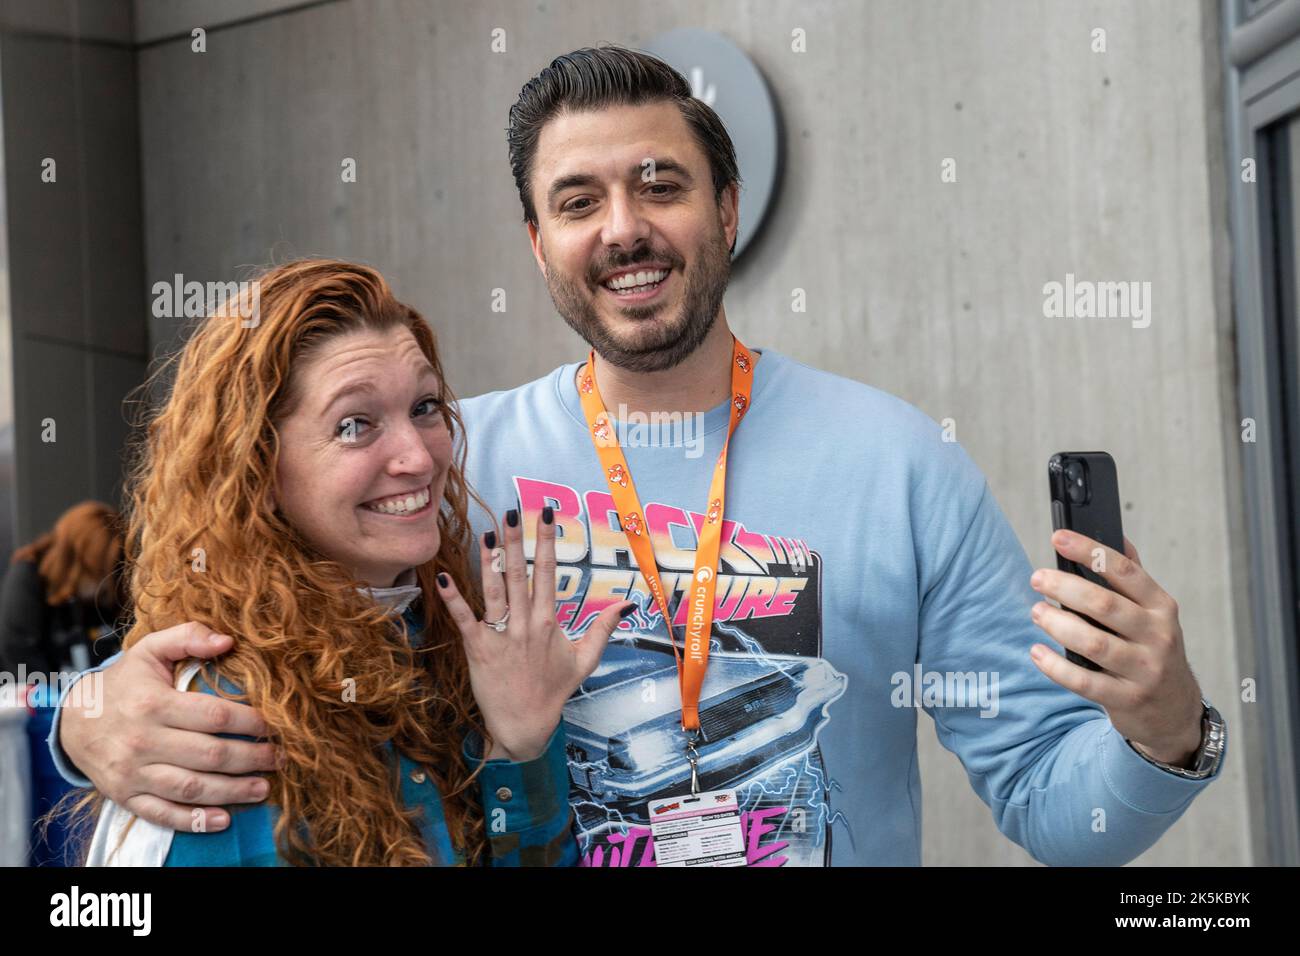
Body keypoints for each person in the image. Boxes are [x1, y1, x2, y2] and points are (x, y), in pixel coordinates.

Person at [50, 46, 1225, 867]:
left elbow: (1051, 805)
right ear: (537, 242)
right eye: (577, 201)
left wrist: (1170, 730)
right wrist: (81, 718)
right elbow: (269, 647)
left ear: (726, 207)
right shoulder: (444, 475)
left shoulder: (900, 464)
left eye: (660, 184)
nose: (623, 227)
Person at [57, 260, 630, 866]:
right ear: (256, 470)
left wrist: (522, 748)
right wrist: (80, 712)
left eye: (425, 406)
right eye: (355, 425)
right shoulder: (217, 726)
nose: (418, 457)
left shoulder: (443, 642)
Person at [0, 500, 126, 677]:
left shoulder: (104, 594)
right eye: (96, 571)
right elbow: (18, 649)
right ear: (76, 561)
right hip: (37, 684)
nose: (103, 583)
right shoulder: (30, 576)